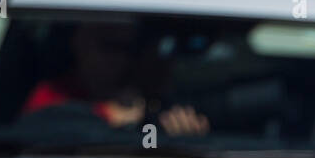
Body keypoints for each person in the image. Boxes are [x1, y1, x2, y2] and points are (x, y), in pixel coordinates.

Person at [22, 22, 208, 135]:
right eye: (111, 47)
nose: (124, 61)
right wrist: (108, 118)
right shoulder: (52, 97)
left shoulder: (165, 106)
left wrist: (181, 143)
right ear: (80, 44)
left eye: (133, 50)